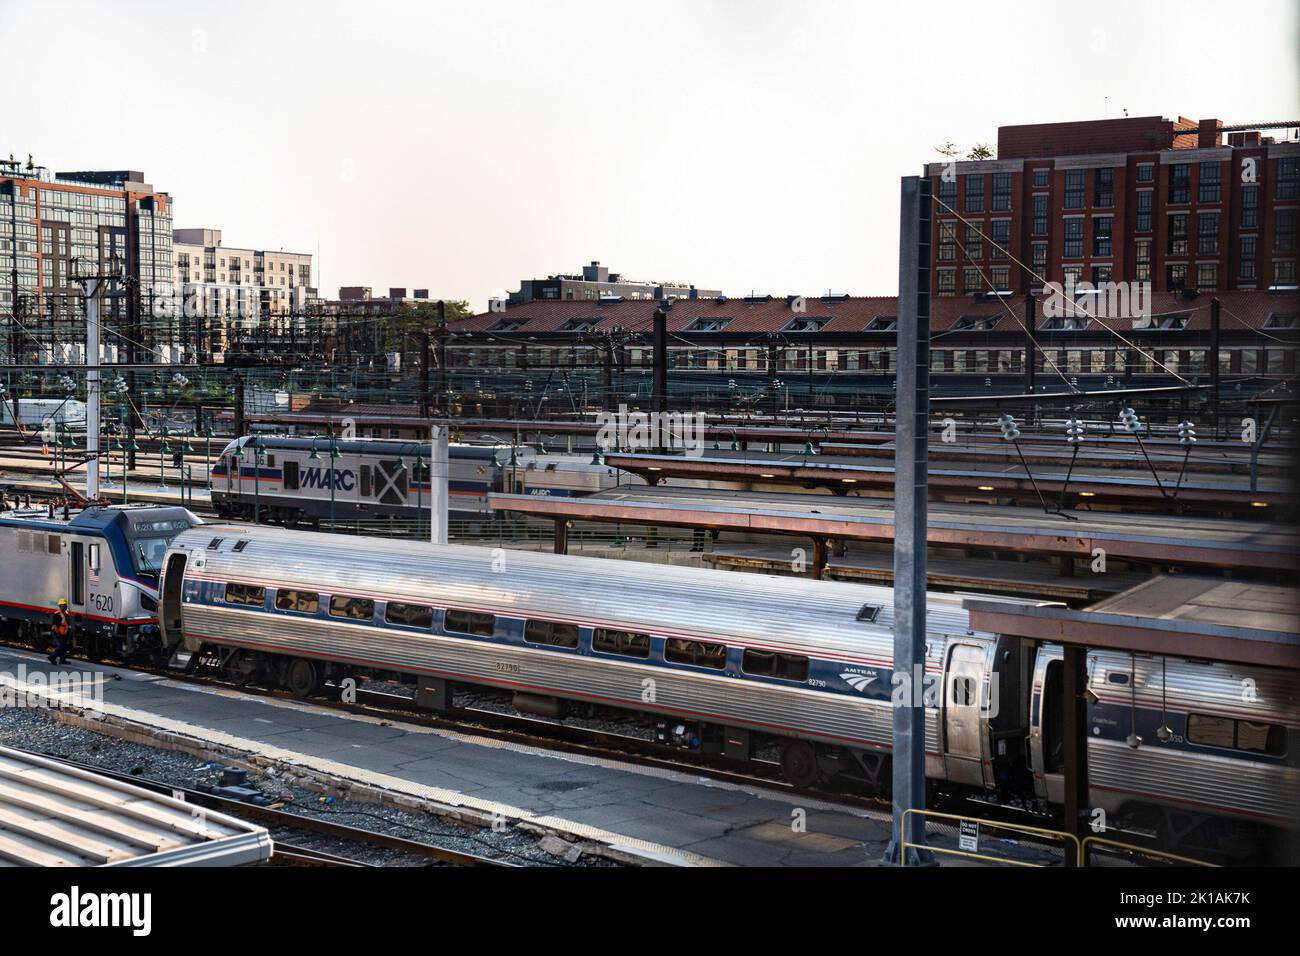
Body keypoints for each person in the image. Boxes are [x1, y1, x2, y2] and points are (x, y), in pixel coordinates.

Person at [49, 599, 71, 665]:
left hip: (64, 633)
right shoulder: (57, 614)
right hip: (58, 633)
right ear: (60, 606)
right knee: (61, 646)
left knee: (64, 647)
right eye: (63, 605)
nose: (65, 607)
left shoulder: (66, 614)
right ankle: (52, 657)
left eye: (65, 605)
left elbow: (67, 624)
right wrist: (58, 633)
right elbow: (55, 625)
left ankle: (62, 660)